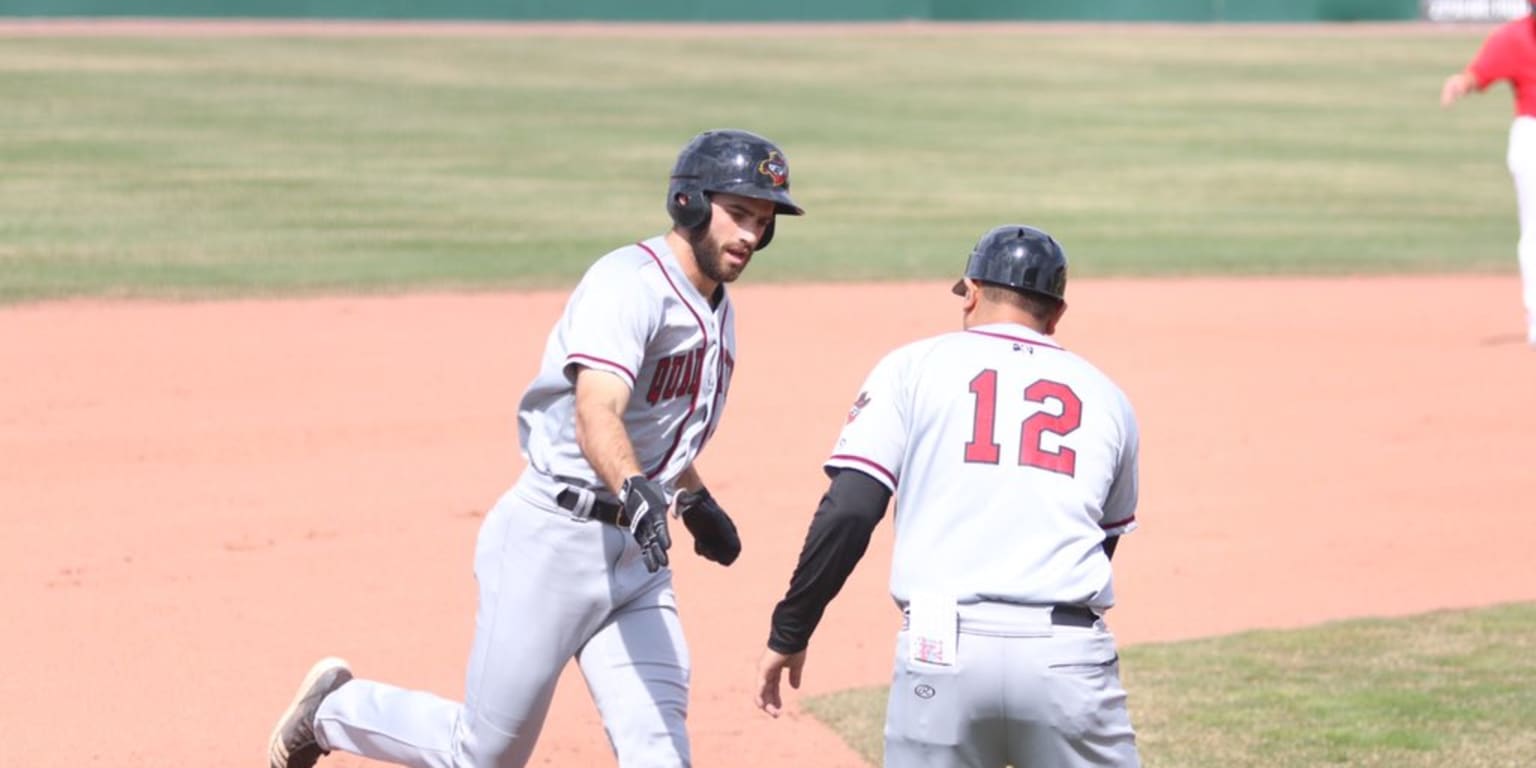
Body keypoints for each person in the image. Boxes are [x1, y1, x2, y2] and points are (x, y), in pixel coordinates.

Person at [267, 128, 805, 768]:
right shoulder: (628, 285)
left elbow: (651, 427)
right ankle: (331, 712)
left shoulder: (717, 307)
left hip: (638, 560)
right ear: (690, 203)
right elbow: (597, 410)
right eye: (738, 214)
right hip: (551, 541)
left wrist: (692, 499)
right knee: (484, 755)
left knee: (660, 752)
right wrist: (637, 492)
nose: (749, 235)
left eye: (763, 222)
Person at [753, 225, 1142, 767]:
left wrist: (791, 628)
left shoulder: (911, 368)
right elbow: (1104, 539)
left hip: (941, 650)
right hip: (1066, 658)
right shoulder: (1107, 397)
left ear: (974, 292)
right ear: (1056, 315)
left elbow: (850, 509)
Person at [1442, 2, 1536, 346]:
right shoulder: (1514, 37)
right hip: (1532, 135)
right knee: (1535, 230)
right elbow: (1479, 74)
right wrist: (1460, 83)